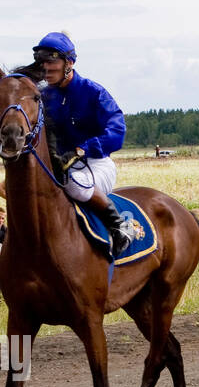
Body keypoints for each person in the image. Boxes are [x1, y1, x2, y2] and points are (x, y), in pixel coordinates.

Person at [30, 32, 135, 254]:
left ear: (69, 63)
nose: (45, 68)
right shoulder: (43, 97)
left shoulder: (94, 92)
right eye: (42, 63)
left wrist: (81, 150)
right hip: (59, 167)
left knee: (71, 183)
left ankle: (119, 225)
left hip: (96, 164)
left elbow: (117, 131)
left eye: (51, 62)